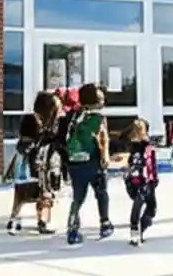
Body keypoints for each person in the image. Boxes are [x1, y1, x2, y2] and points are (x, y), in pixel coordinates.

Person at [64, 83, 114, 247]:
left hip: (75, 163)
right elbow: (104, 139)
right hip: (94, 162)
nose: (103, 101)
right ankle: (105, 223)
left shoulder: (72, 116)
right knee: (101, 193)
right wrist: (105, 157)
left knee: (78, 197)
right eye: (100, 98)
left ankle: (72, 229)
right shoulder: (99, 118)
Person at [118, 118, 160, 246]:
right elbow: (151, 164)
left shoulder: (128, 145)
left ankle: (135, 232)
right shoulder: (148, 146)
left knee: (137, 205)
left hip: (132, 180)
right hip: (145, 181)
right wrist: (154, 179)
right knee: (151, 208)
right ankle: (139, 229)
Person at [31, 90, 66, 234]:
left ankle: (42, 219)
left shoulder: (37, 122)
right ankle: (44, 221)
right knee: (47, 191)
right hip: (49, 160)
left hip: (41, 160)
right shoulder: (50, 126)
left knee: (43, 190)